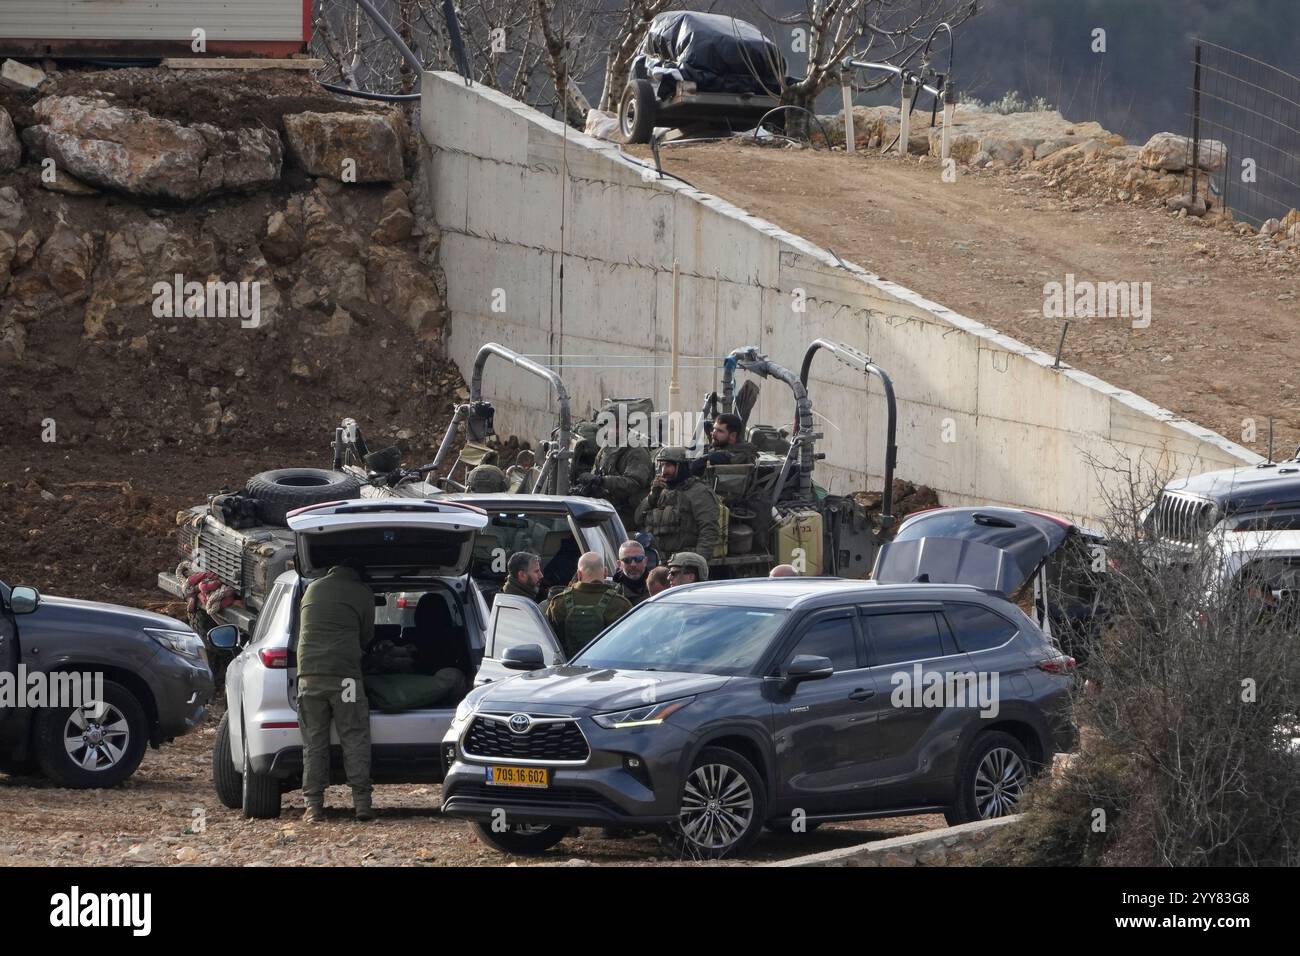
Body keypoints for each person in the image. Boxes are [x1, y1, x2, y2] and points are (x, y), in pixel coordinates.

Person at [296, 558, 376, 823]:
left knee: (314, 741)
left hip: (310, 676)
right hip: (346, 679)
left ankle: (313, 806)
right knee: (353, 735)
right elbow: (367, 635)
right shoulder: (361, 592)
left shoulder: (312, 588)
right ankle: (362, 804)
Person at [634, 446, 721, 559]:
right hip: (658, 558)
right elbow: (638, 519)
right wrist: (653, 496)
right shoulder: (660, 490)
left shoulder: (699, 492)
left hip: (684, 559)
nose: (664, 471)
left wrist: (697, 562)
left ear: (681, 466)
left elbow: (709, 531)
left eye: (668, 465)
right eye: (661, 465)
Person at [544, 551, 633, 658]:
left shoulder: (558, 602)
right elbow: (630, 643)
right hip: (607, 670)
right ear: (605, 572)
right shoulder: (620, 604)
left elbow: (547, 641)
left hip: (568, 670)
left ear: (579, 574)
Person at [690, 413, 758, 476]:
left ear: (733, 436)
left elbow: (724, 457)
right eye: (714, 429)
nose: (713, 433)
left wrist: (705, 458)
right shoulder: (722, 445)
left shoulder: (739, 454)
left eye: (719, 431)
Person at [611, 540, 650, 605]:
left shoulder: (657, 588)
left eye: (638, 559)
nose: (633, 564)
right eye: (627, 560)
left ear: (645, 561)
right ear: (619, 564)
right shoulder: (613, 595)